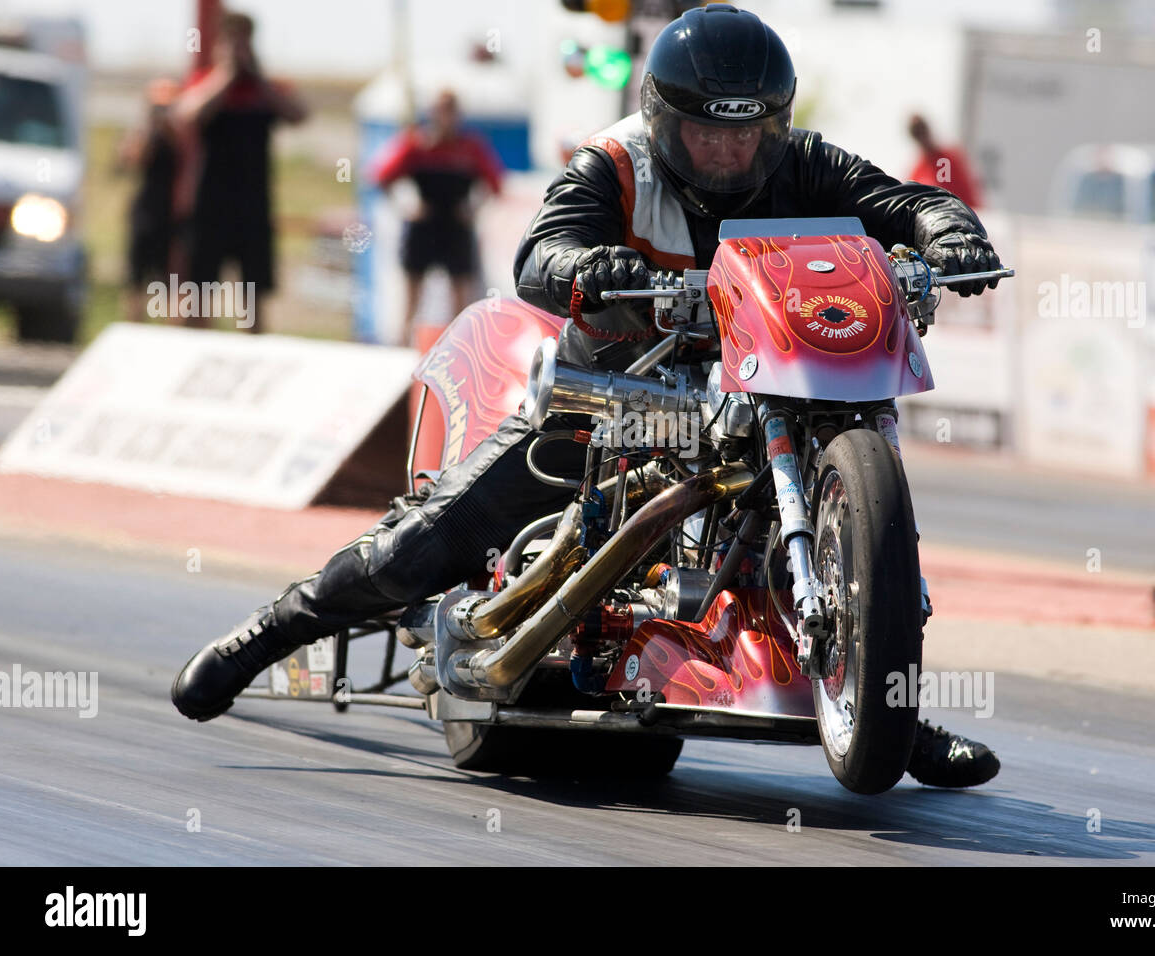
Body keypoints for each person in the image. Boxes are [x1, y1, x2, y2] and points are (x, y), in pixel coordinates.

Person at [173, 4, 1001, 788]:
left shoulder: (805, 161)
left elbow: (905, 200)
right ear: (664, 119)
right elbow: (541, 252)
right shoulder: (614, 162)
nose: (726, 151)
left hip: (760, 403)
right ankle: (270, 632)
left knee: (861, 460)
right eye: (705, 130)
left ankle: (887, 710)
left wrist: (946, 230)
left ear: (773, 123)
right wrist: (586, 268)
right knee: (423, 544)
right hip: (614, 403)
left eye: (746, 131)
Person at [173, 10, 307, 333]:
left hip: (252, 202)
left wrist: (257, 78)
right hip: (211, 201)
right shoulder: (207, 82)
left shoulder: (264, 89)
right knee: (199, 290)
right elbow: (187, 114)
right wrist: (226, 75)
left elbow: (298, 114)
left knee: (252, 294)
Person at [369, 90, 504, 346]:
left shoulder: (470, 147)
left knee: (460, 297)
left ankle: (458, 350)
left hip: (456, 226)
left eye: (450, 110)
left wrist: (473, 209)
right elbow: (380, 176)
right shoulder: (417, 144)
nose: (445, 117)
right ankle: (401, 349)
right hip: (424, 227)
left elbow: (496, 183)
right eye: (441, 110)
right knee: (411, 298)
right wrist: (407, 206)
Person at [118, 78, 181, 323]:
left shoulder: (180, 137)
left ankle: (171, 331)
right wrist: (146, 130)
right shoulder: (143, 134)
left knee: (170, 283)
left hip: (171, 216)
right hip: (145, 214)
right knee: (135, 280)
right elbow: (130, 160)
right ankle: (133, 327)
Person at [907, 113, 983, 210]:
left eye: (922, 130)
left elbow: (967, 192)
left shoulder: (949, 159)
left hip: (963, 215)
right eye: (916, 133)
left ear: (928, 130)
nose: (921, 136)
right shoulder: (917, 171)